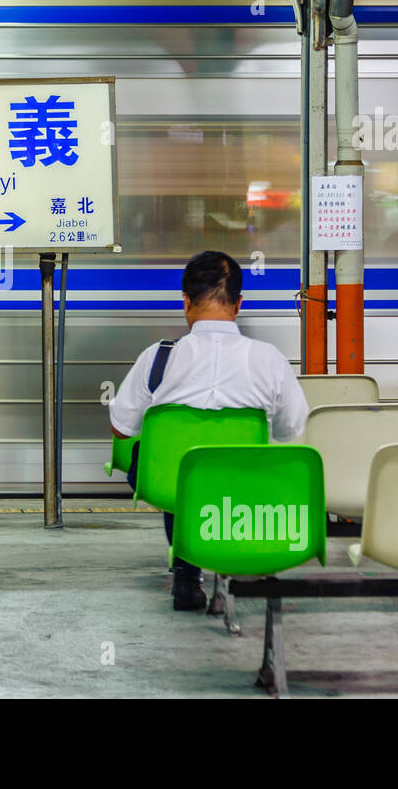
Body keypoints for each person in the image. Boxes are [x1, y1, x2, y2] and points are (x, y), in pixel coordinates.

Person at [108, 250, 308, 610]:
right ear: (239, 304)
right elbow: (292, 429)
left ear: (186, 302)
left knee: (171, 463)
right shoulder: (269, 359)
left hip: (171, 483)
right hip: (243, 482)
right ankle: (236, 550)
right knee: (227, 468)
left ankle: (186, 568)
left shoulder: (158, 357)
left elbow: (121, 429)